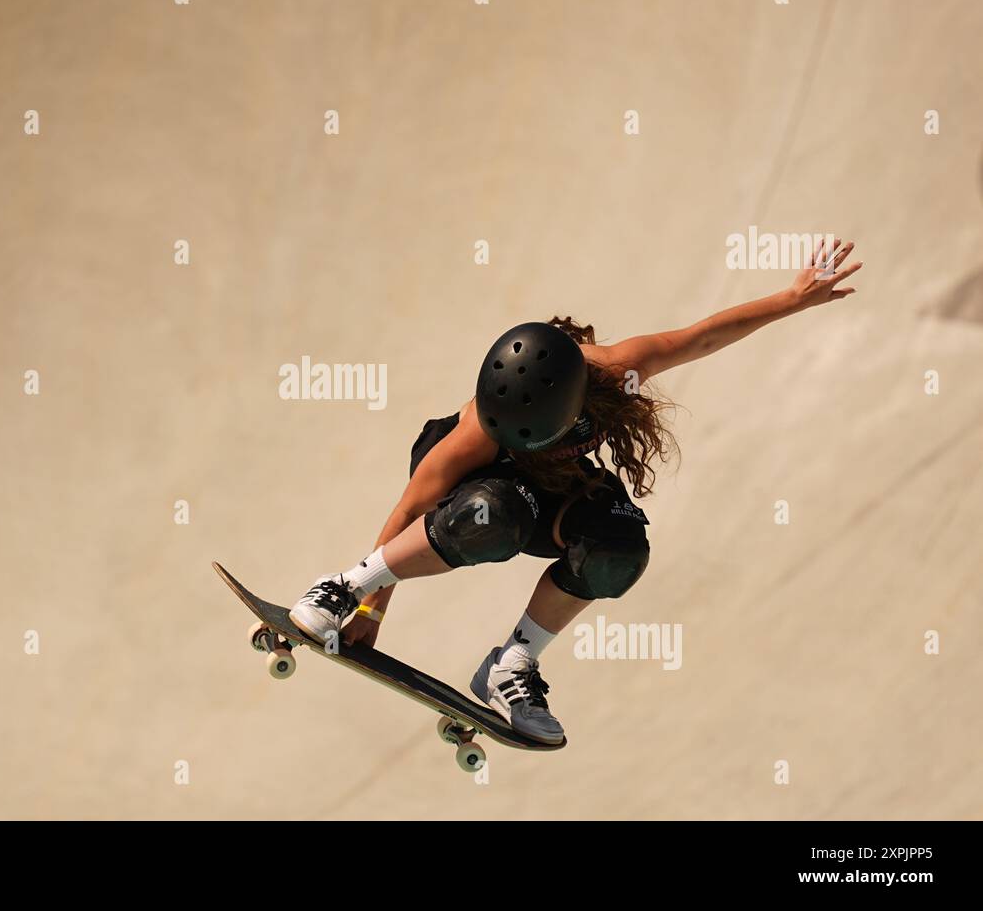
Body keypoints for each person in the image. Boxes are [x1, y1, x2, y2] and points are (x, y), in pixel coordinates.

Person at [289, 238, 862, 743]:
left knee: (617, 550)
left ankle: (512, 666)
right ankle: (335, 588)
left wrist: (793, 299)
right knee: (492, 511)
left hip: (555, 489)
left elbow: (702, 338)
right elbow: (412, 504)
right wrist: (369, 599)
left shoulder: (617, 371)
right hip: (474, 497)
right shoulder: (476, 432)